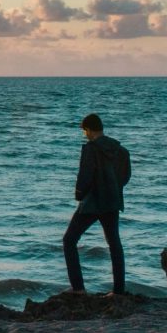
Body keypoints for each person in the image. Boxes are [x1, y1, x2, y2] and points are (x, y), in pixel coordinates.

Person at [63, 113, 131, 295]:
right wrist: (114, 188)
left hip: (92, 203)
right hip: (112, 201)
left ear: (89, 130)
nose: (85, 135)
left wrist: (79, 194)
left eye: (84, 131)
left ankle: (78, 288)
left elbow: (85, 176)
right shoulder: (121, 150)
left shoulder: (91, 149)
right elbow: (125, 177)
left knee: (69, 240)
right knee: (114, 244)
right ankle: (118, 291)